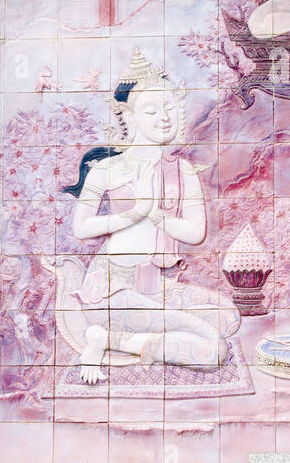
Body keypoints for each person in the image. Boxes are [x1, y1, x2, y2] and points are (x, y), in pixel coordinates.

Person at [54, 51, 238, 381]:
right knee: (215, 349)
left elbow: (195, 233)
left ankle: (118, 342)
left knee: (228, 318)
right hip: (112, 289)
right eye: (151, 111)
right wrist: (134, 213)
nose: (164, 118)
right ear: (128, 117)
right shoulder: (107, 169)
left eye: (169, 108)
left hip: (156, 284)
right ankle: (106, 339)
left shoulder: (182, 171)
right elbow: (82, 228)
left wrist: (156, 216)